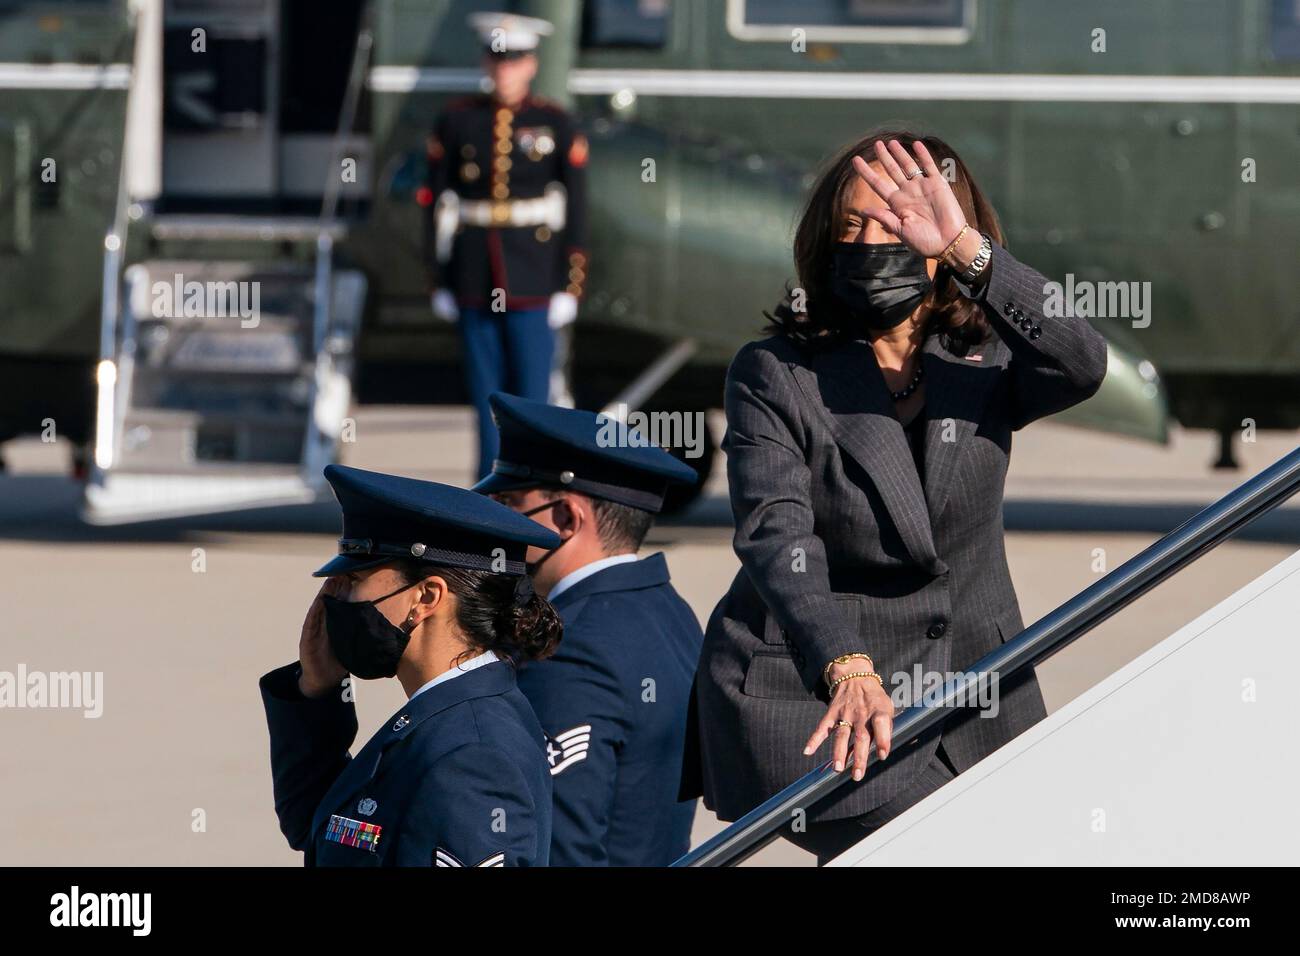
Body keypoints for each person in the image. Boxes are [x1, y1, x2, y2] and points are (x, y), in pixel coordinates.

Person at [686, 130, 1109, 865]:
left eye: (894, 218)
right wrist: (845, 664)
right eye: (852, 224)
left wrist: (968, 251)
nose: (871, 238)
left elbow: (1082, 362)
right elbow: (776, 534)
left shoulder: (985, 360)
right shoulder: (778, 372)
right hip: (831, 695)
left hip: (979, 696)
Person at [259, 463, 563, 867]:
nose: (334, 598)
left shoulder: (471, 755)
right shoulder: (445, 714)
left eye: (354, 580)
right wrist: (318, 690)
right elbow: (315, 826)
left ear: (425, 597)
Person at [472, 391, 703, 866]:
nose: (493, 521)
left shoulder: (570, 648)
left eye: (510, 502)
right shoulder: (667, 609)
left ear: (564, 519)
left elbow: (555, 847)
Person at [422, 12, 589, 479]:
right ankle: (489, 494)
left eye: (514, 60)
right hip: (474, 274)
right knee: (485, 401)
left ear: (531, 64)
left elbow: (576, 206)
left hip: (534, 274)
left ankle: (529, 495)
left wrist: (570, 284)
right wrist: (438, 277)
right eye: (497, 59)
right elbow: (433, 200)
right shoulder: (457, 120)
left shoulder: (553, 121)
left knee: (532, 400)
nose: (504, 70)